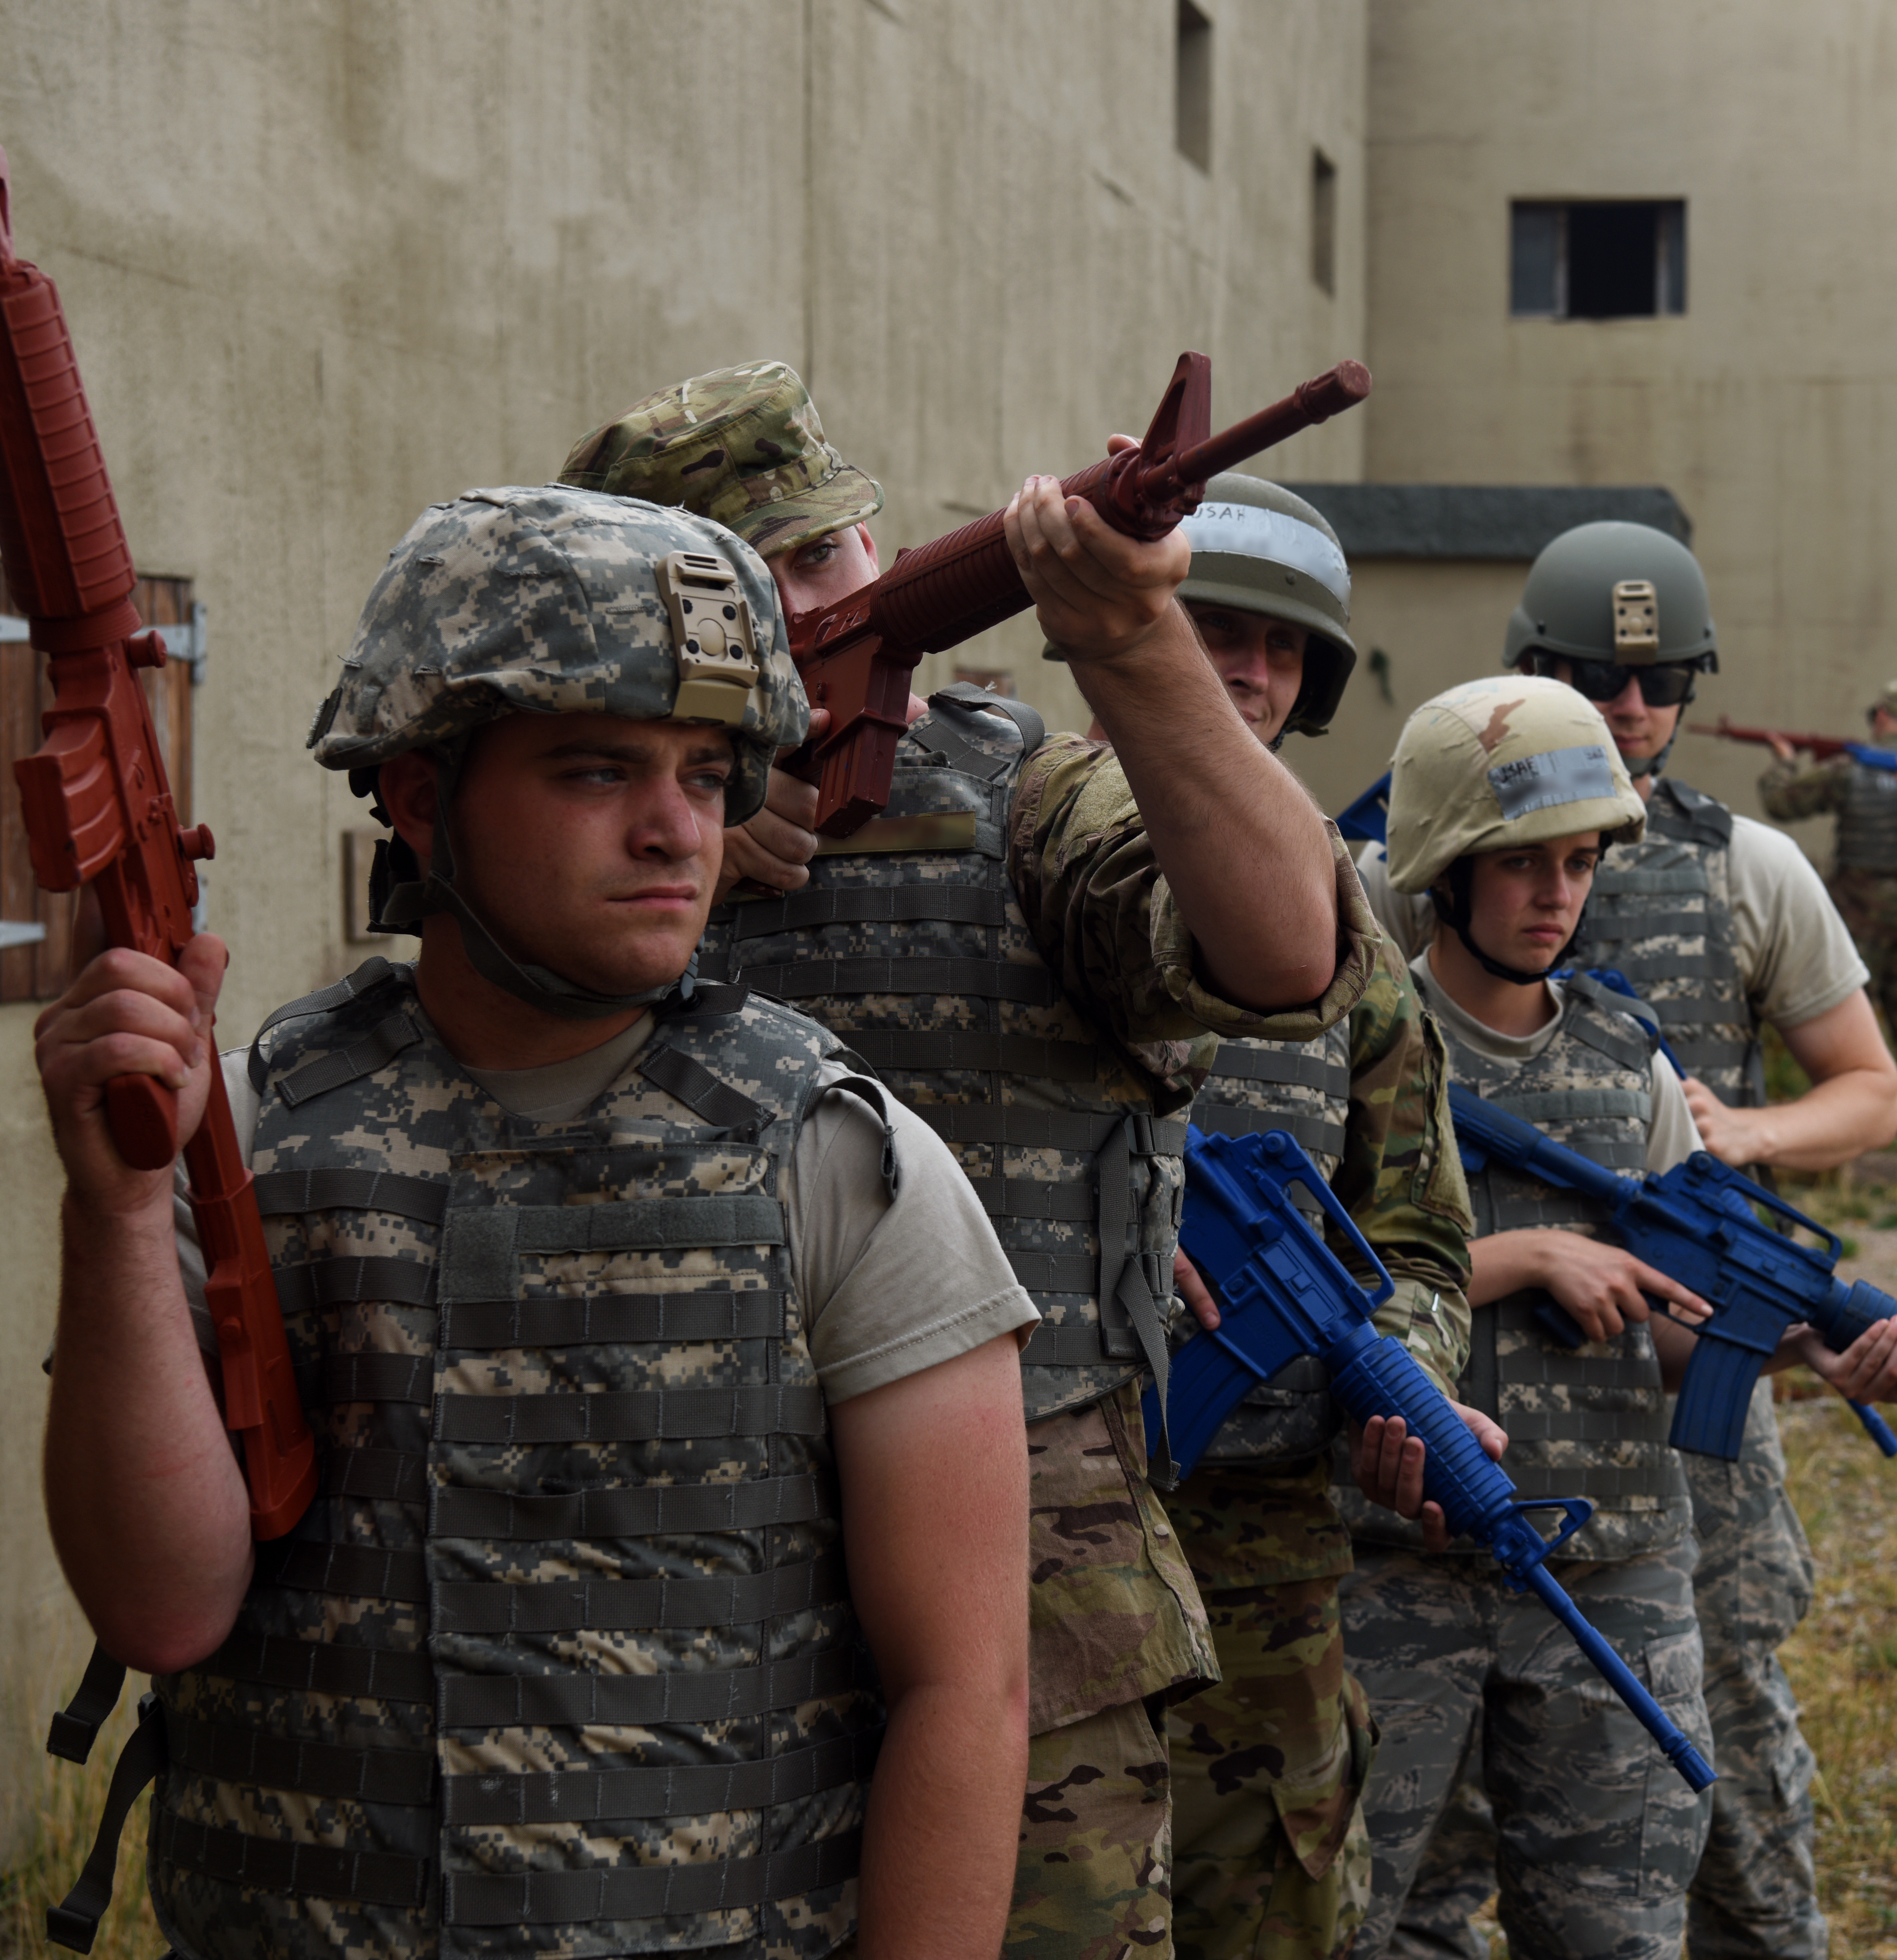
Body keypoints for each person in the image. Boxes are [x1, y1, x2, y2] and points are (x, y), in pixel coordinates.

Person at [36, 485, 1038, 1958]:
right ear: (427, 796)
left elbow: (969, 1691)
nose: (674, 830)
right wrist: (119, 1210)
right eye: (596, 769)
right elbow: (162, 1612)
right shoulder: (243, 1136)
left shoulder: (840, 1161)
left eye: (708, 774)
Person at [559, 364, 1382, 1960]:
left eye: (846, 549)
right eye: (779, 569)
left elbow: (1287, 949)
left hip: (1031, 1616)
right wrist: (675, 863)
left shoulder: (1027, 797)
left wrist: (1138, 644)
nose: (844, 593)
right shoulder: (582, 842)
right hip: (661, 1594)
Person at [1356, 522, 1897, 1960]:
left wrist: (1791, 1316)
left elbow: (1855, 1101)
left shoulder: (1695, 956)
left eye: (1584, 862)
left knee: (1654, 1849)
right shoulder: (1371, 989)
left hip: (1630, 1490)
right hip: (1414, 1503)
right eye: (1526, 860)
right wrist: (1530, 1257)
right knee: (1395, 1881)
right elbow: (1315, 1254)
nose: (1558, 892)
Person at [1121, 476, 1484, 1960]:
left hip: (1261, 1561)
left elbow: (1421, 1237)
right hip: (999, 1536)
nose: (1247, 668)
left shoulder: (1353, 934)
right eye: (1214, 625)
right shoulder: (995, 863)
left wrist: (1393, 1369)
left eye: (1283, 647)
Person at [1756, 680, 1897, 1180]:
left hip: (1857, 926)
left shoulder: (1852, 769)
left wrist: (1783, 759)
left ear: (1883, 717)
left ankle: (1830, 1160)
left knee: (1840, 1043)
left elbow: (1783, 803)